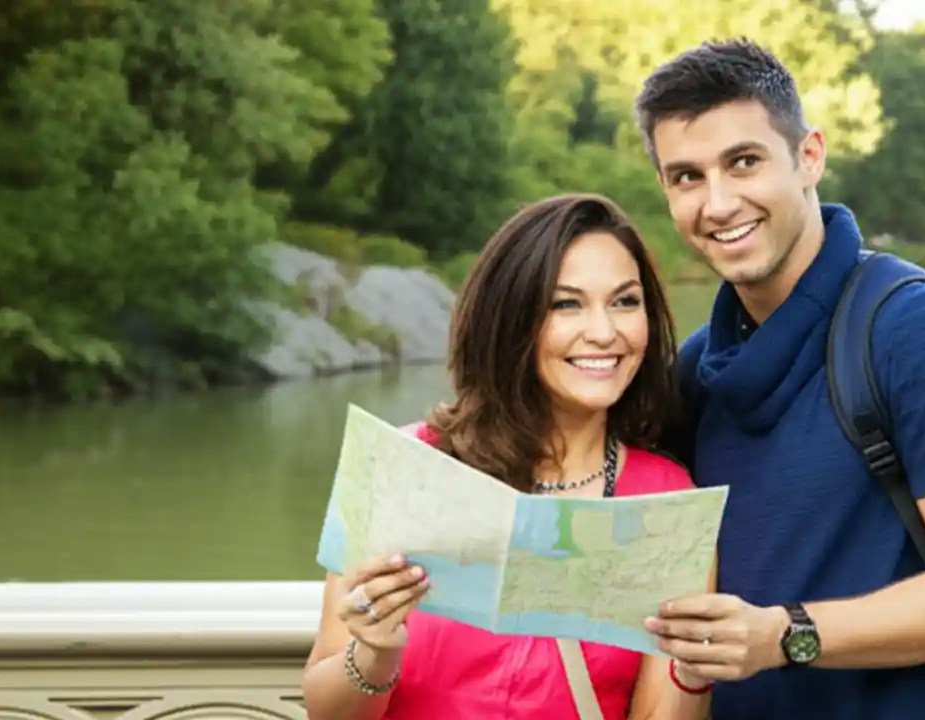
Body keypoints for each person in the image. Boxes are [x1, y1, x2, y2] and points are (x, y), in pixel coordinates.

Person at [634, 40, 925, 719]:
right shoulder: (695, 370)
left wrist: (787, 635)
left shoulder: (922, 333)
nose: (719, 202)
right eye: (686, 177)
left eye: (744, 162)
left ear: (809, 156)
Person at [301, 194, 715, 719]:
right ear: (511, 320)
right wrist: (374, 650)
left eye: (625, 302)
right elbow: (325, 713)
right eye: (566, 304)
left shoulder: (668, 501)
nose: (605, 332)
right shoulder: (402, 468)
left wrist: (693, 670)